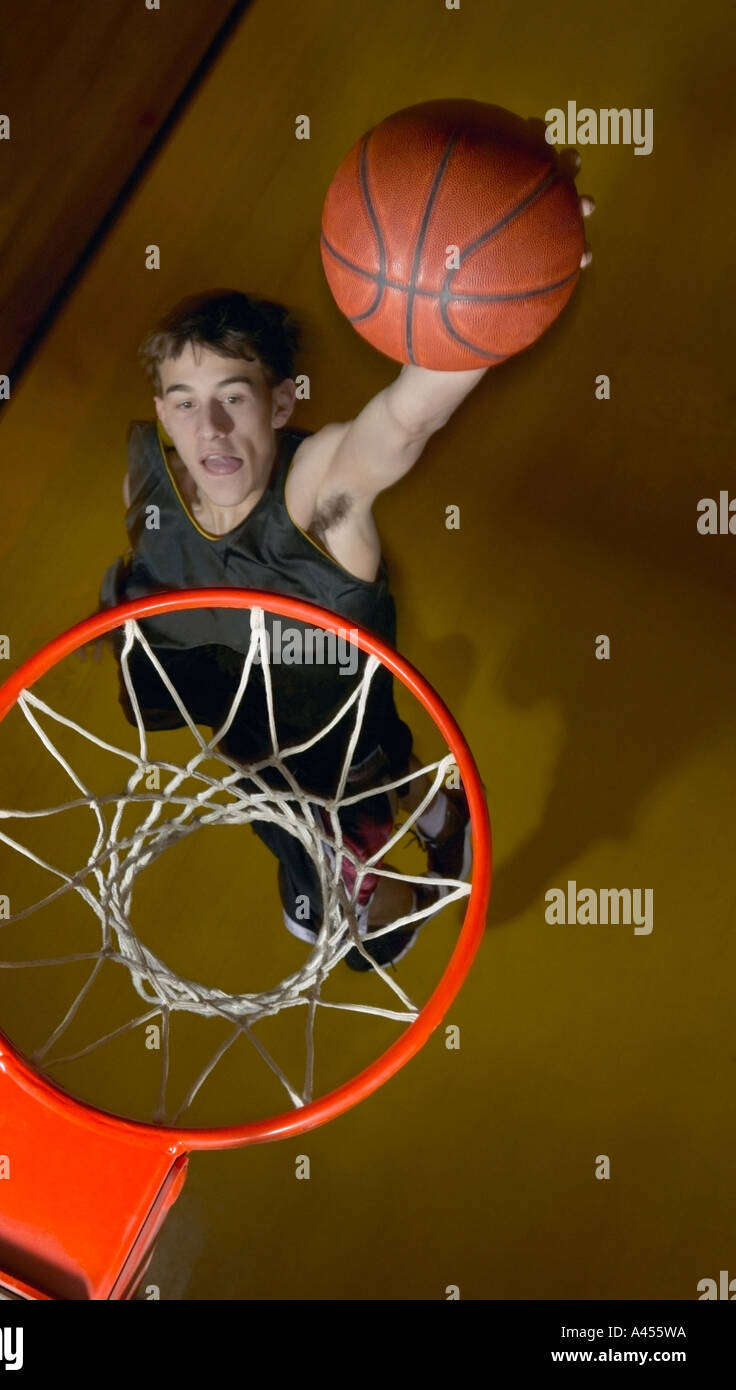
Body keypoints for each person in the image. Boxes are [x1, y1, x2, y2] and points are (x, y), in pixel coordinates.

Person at [100, 174, 593, 969]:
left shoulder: (319, 495)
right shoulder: (146, 475)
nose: (210, 427)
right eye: (184, 401)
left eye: (235, 396)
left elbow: (407, 416)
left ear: (283, 403)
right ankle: (430, 808)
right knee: (315, 794)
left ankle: (423, 838)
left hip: (330, 736)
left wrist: (501, 273)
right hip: (238, 720)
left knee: (342, 935)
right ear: (160, 410)